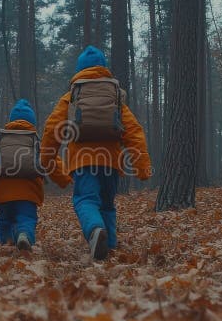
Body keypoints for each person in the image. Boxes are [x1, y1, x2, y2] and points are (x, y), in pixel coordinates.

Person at [40, 46, 151, 260]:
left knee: (85, 200)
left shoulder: (72, 96)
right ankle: (108, 246)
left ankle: (94, 230)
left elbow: (52, 129)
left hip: (82, 163)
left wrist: (45, 161)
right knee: (108, 205)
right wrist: (142, 167)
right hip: (111, 163)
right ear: (103, 68)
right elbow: (134, 131)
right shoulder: (116, 96)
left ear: (79, 70)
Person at [0, 99, 70, 251]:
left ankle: (5, 246)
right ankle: (24, 235)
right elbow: (51, 160)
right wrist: (64, 179)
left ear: (11, 120)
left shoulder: (0, 139)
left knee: (4, 220)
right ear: (32, 121)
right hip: (28, 192)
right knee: (26, 218)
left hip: (1, 192)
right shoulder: (36, 140)